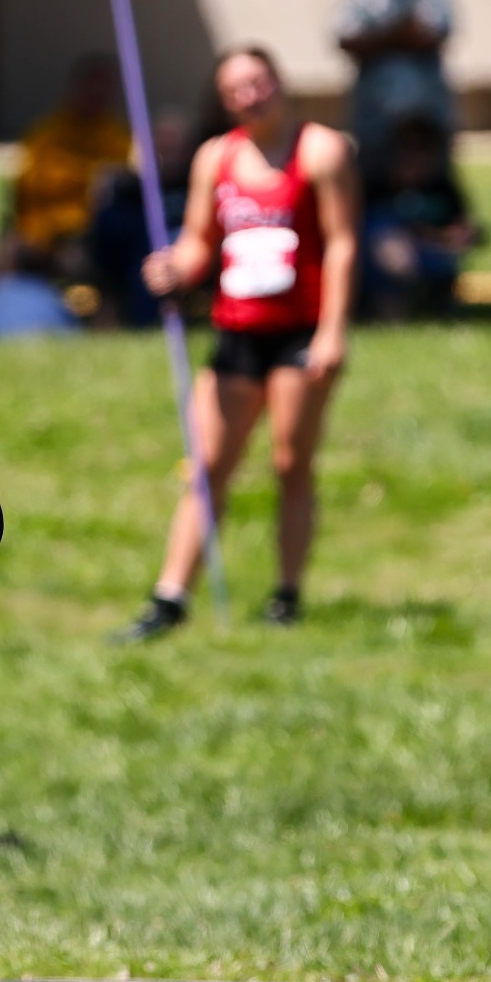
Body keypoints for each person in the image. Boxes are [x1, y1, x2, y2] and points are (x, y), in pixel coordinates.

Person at [119, 47, 357, 640]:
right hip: (237, 331)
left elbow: (343, 243)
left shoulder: (321, 151)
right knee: (207, 466)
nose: (251, 96)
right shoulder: (216, 157)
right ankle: (170, 598)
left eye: (259, 82)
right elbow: (202, 239)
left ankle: (287, 593)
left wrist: (333, 331)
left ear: (279, 81)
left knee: (289, 462)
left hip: (299, 332)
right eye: (236, 90)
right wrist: (176, 266)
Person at [335, 0, 457, 185]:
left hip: (427, 113)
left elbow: (434, 37)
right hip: (374, 118)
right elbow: (347, 41)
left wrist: (377, 38)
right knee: (374, 188)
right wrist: (399, 34)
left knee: (434, 186)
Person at [11, 55, 131, 289]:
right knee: (7, 253)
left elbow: (114, 189)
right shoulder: (45, 134)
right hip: (39, 228)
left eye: (101, 94)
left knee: (80, 258)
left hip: (85, 232)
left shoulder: (118, 138)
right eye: (89, 91)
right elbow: (26, 187)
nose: (94, 99)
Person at [356, 114, 476, 320]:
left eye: (421, 148)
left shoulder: (443, 190)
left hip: (433, 259)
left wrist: (429, 236)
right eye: (405, 148)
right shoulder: (376, 190)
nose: (412, 158)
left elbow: (464, 231)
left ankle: (426, 299)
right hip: (379, 272)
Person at [90, 108, 197, 327]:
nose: (170, 158)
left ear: (189, 151)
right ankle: (141, 321)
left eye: (176, 150)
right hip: (139, 256)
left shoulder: (196, 184)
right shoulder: (131, 187)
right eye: (164, 150)